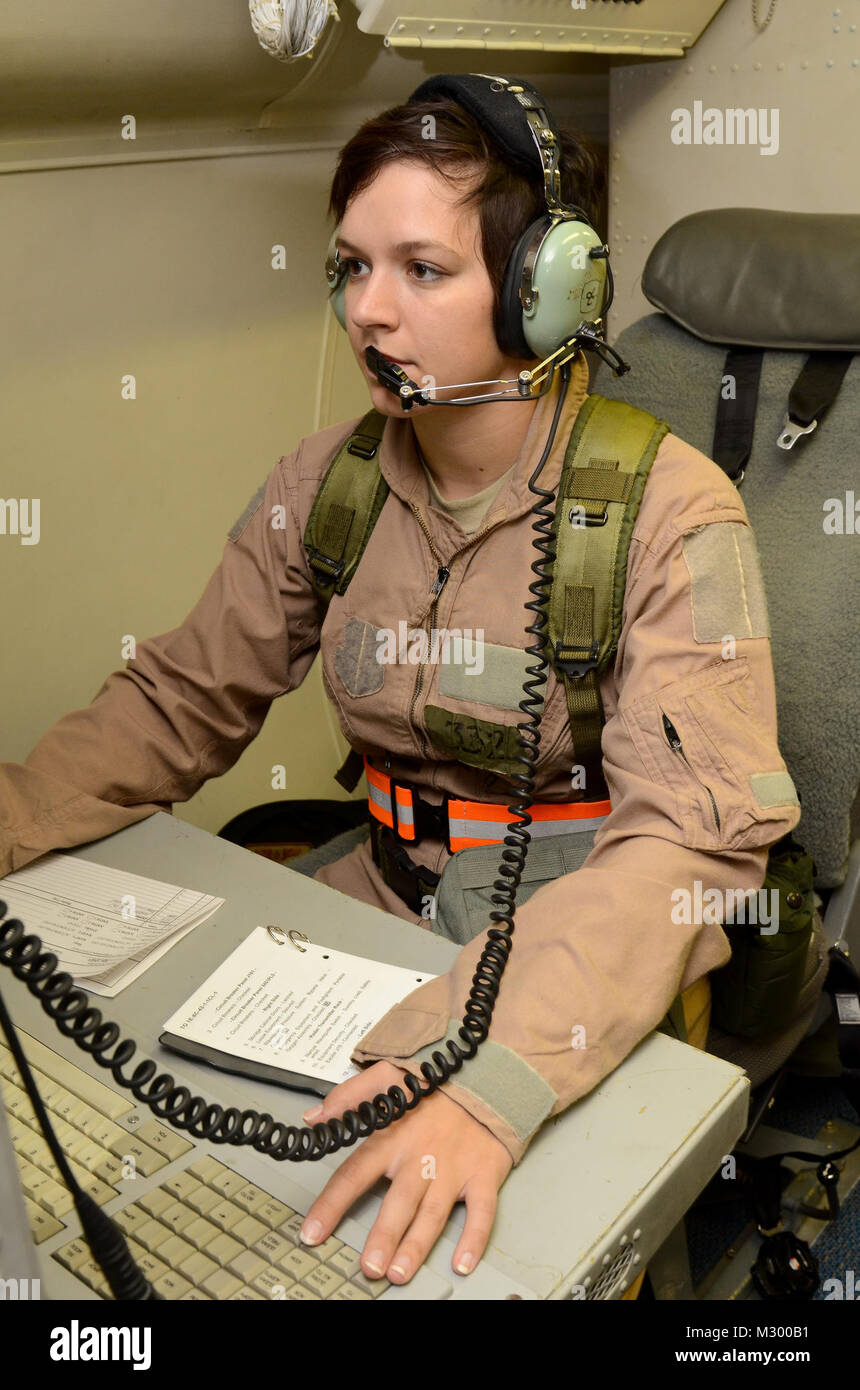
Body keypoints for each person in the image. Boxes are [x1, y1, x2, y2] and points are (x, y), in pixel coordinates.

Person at [0, 87, 802, 1294]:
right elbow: (178, 698)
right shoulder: (328, 484)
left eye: (421, 269)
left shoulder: (672, 512)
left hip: (586, 949)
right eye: (352, 267)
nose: (367, 312)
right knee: (172, 1155)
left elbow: (689, 847)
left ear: (547, 294)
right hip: (374, 907)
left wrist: (493, 1086)